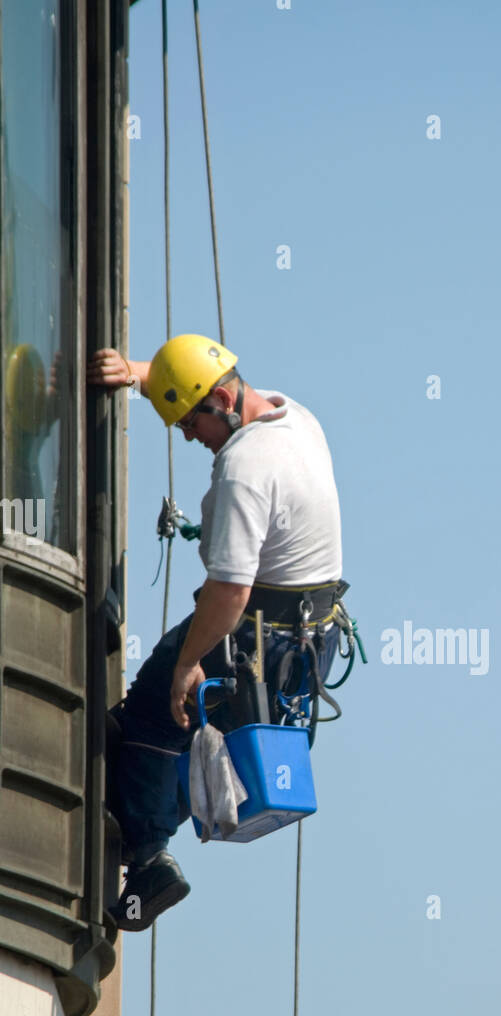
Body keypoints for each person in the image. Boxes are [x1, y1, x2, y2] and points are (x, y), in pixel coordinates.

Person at [87, 334, 347, 930]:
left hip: (257, 633)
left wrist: (187, 666)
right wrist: (135, 372)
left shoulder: (244, 468)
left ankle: (148, 858)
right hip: (312, 637)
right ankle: (139, 809)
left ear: (224, 402)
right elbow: (198, 380)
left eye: (189, 424)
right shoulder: (291, 414)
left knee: (160, 706)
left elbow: (229, 593)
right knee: (191, 725)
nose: (188, 437)